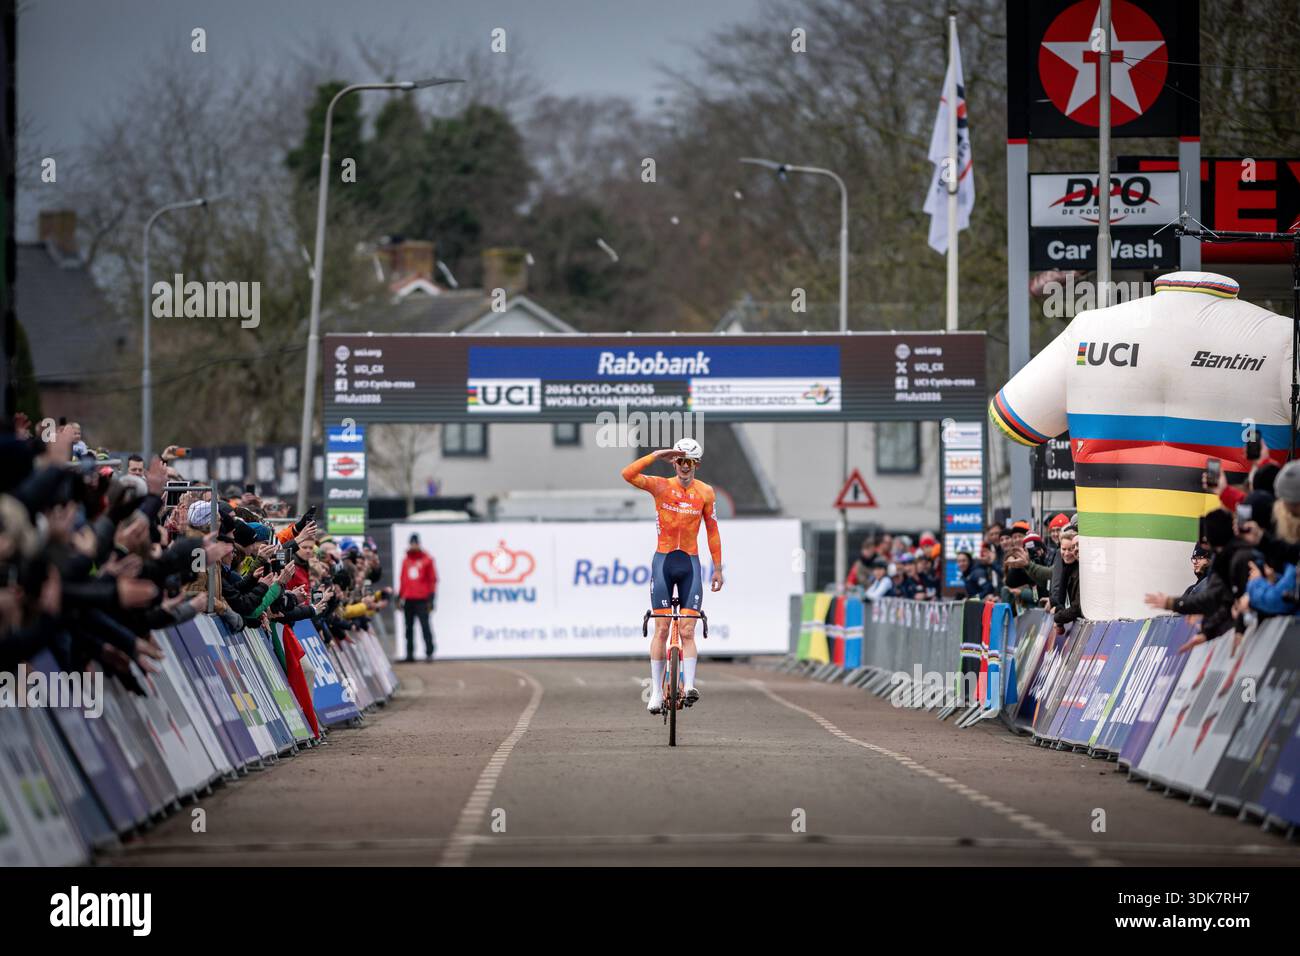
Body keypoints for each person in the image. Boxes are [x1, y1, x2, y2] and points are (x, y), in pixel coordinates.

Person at [621, 437, 722, 714]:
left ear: (696, 465)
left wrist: (718, 568)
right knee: (662, 628)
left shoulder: (706, 493)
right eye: (679, 461)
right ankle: (655, 692)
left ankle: (689, 686)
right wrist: (656, 455)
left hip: (689, 563)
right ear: (674, 462)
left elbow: (712, 531)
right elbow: (627, 474)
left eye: (689, 462)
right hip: (664, 562)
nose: (684, 467)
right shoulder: (661, 485)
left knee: (688, 630)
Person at [397, 532, 437, 662]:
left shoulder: (427, 560)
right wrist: (400, 596)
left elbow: (432, 579)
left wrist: (431, 597)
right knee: (408, 628)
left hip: (422, 599)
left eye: (415, 543)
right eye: (412, 543)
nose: (413, 546)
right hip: (409, 598)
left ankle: (429, 652)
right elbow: (403, 579)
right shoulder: (406, 560)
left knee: (425, 626)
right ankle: (409, 654)